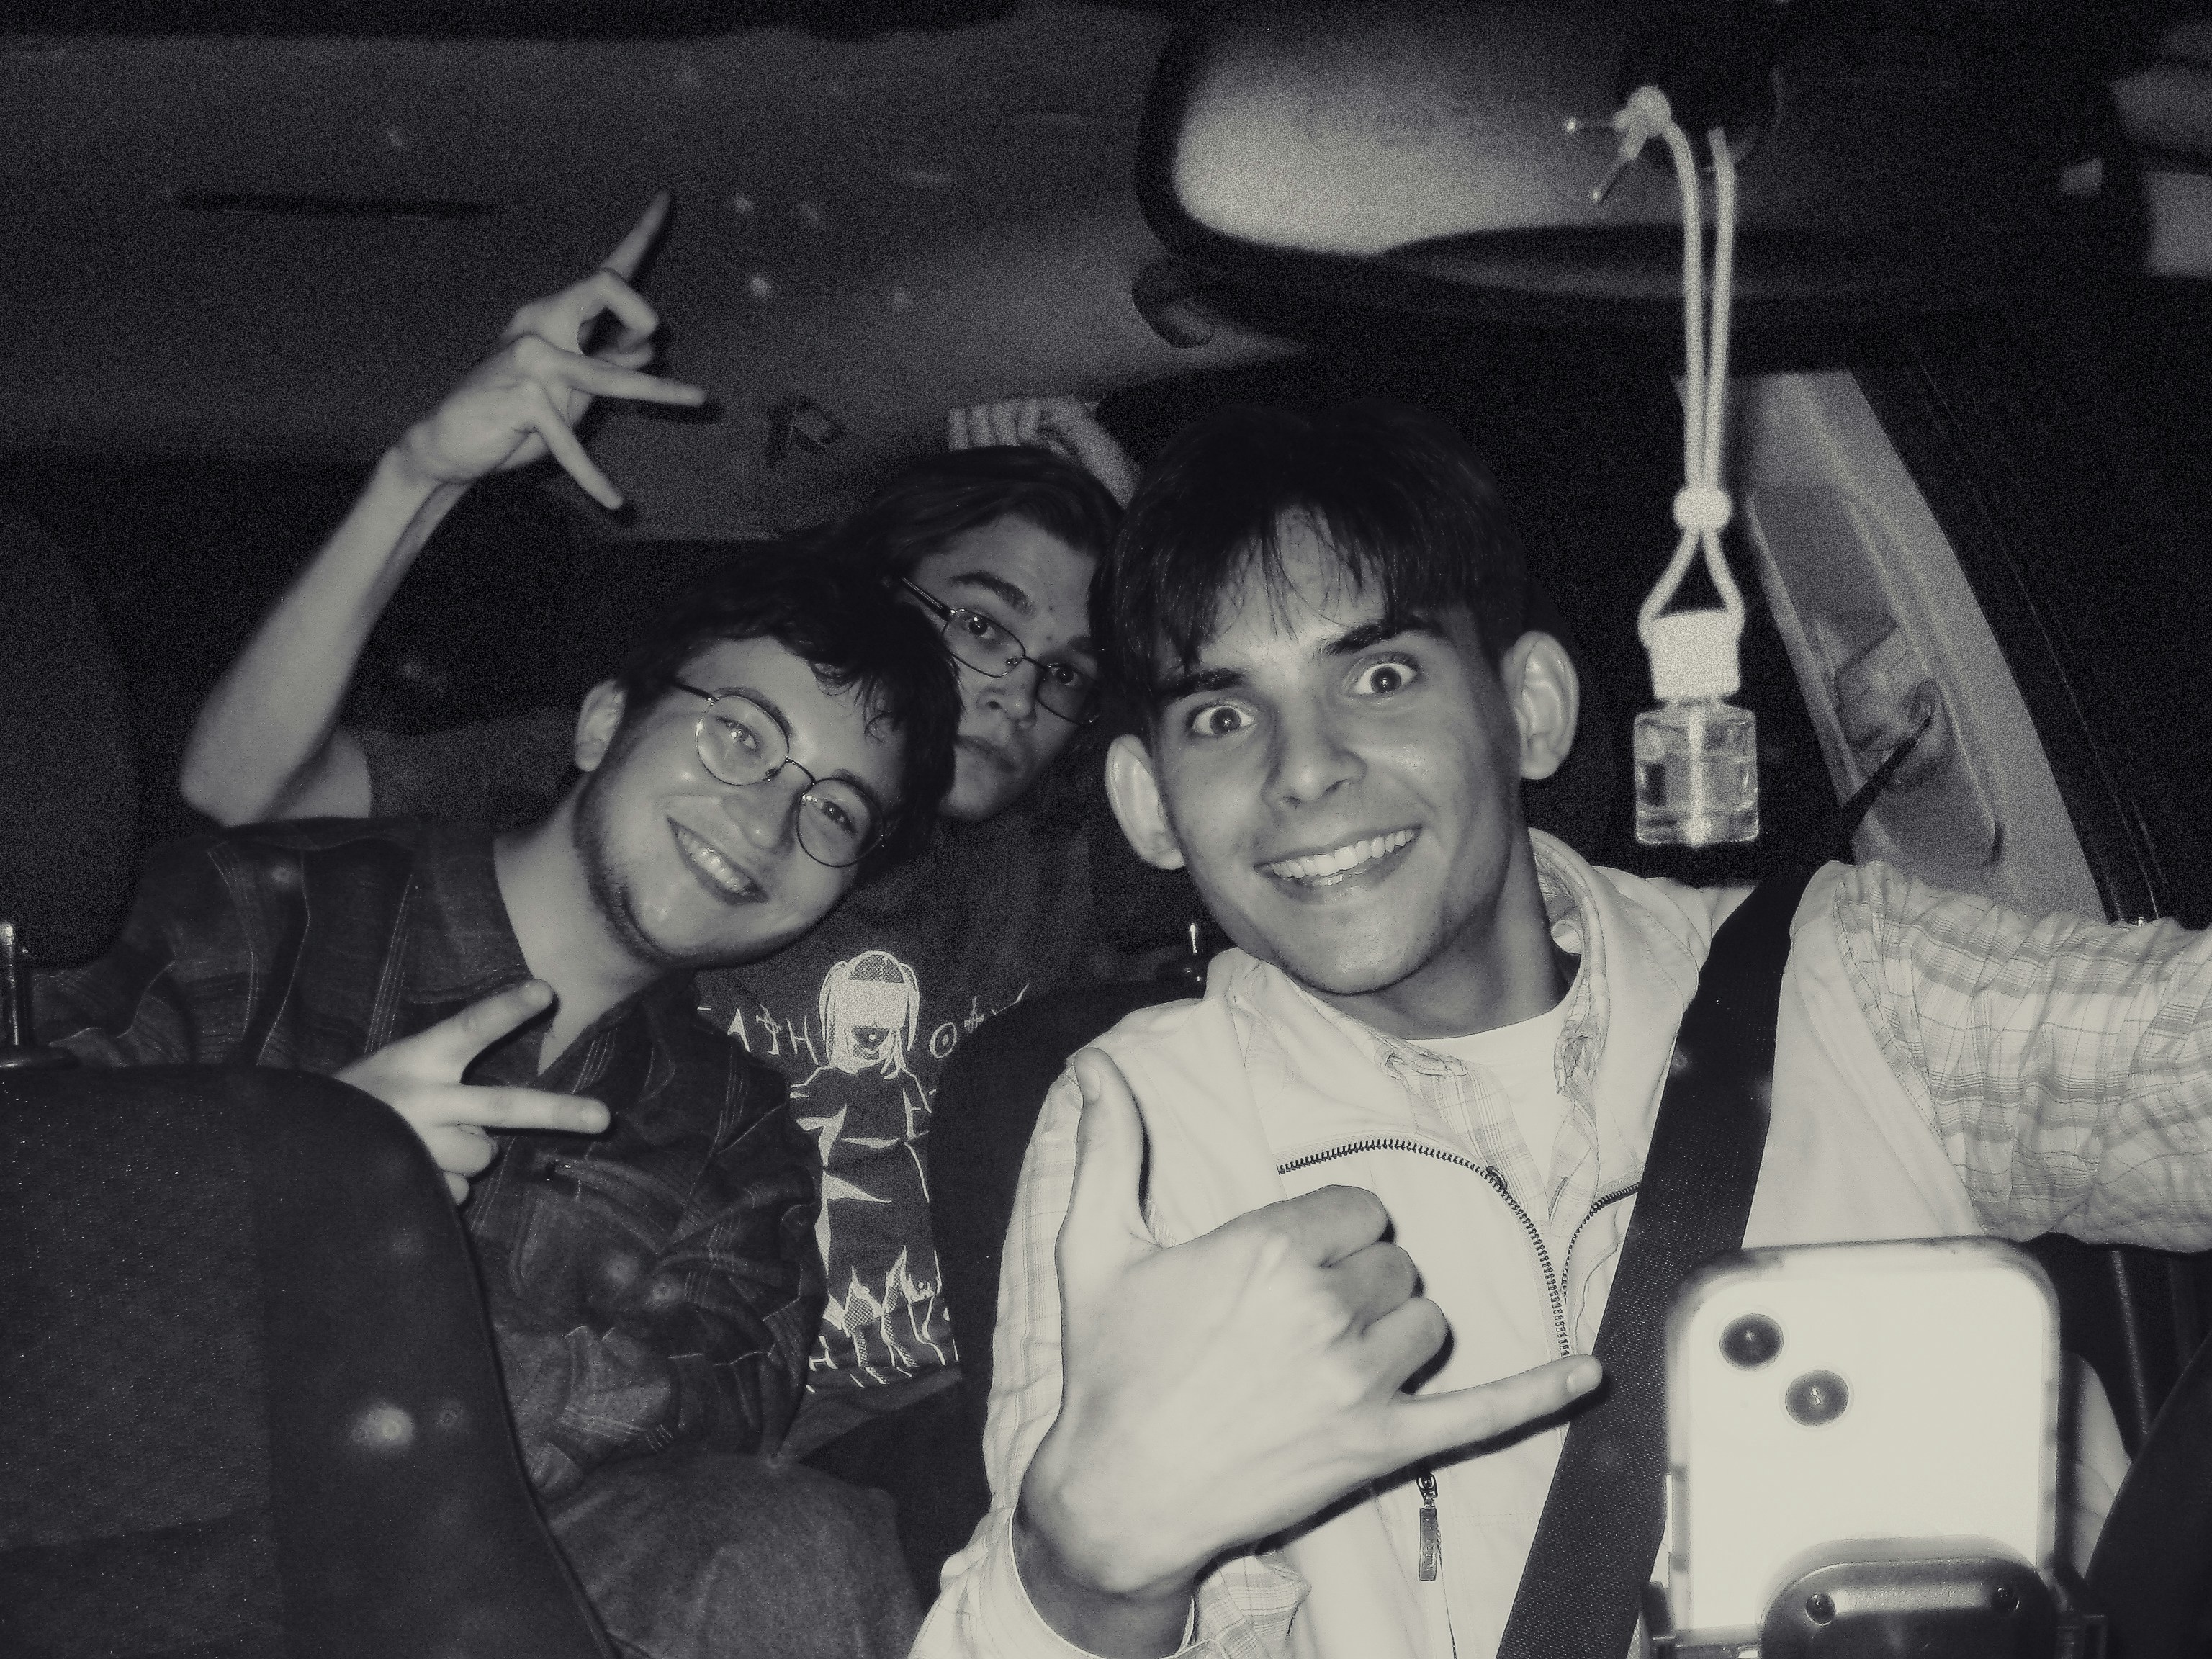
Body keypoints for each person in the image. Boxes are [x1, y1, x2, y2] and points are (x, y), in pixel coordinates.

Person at [914, 399, 2212, 1659]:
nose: (1301, 767)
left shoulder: (1847, 978)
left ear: (1528, 709)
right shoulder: (1138, 1132)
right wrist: (1088, 1571)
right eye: (1220, 712)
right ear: (1150, 805)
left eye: (1377, 672)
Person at [174, 199, 1144, 1578]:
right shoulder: (678, 787)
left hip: (946, 1424)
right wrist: (420, 476)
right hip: (724, 1458)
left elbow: (1281, 806)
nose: (1011, 689)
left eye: (1065, 677)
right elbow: (247, 792)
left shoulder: (1063, 865)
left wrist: (1159, 546)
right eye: (983, 622)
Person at [43, 543, 961, 1659]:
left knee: (792, 1539)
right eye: (741, 734)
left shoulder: (737, 1134)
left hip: (480, 1589)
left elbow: (712, 1406)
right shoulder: (258, 911)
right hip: (112, 1531)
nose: (767, 820)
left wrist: (396, 1369)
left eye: (835, 814)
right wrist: (287, 1172)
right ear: (599, 723)